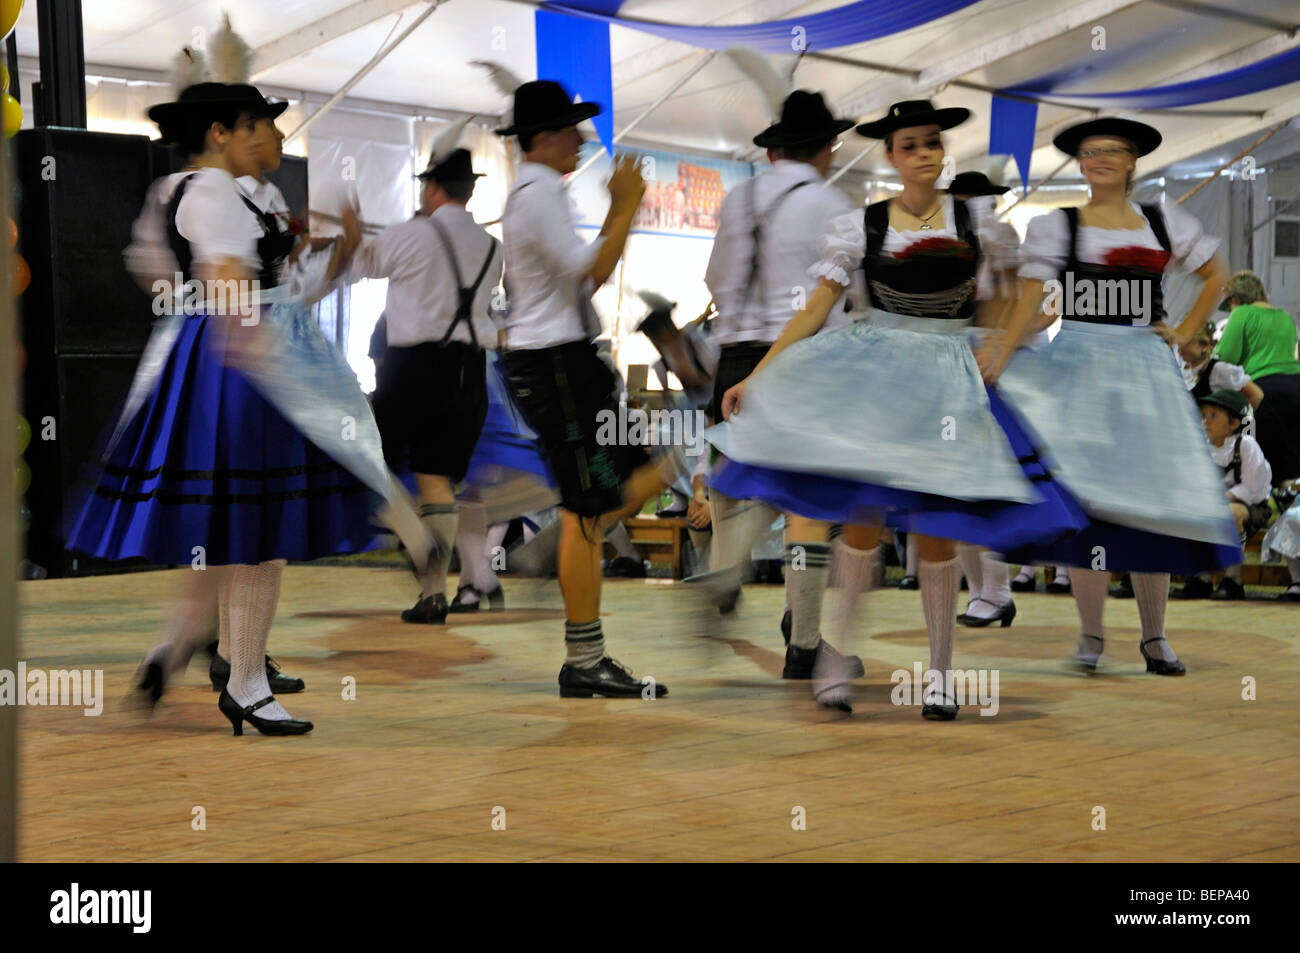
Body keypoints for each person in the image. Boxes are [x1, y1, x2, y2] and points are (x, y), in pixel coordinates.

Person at [714, 100, 1089, 717]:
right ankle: (833, 656)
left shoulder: (977, 222)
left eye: (931, 143)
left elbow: (1025, 290)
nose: (922, 153)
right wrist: (760, 372)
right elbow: (813, 310)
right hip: (877, 378)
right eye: (909, 145)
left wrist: (1003, 342)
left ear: (943, 151)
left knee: (938, 528)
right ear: (891, 155)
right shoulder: (862, 226)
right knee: (862, 523)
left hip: (950, 377)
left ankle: (939, 674)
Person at [68, 81, 369, 735]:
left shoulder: (197, 193)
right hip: (239, 359)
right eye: (258, 123)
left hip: (220, 353)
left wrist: (332, 256)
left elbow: (155, 268)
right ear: (220, 133)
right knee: (256, 530)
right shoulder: (211, 194)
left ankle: (178, 652)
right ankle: (245, 681)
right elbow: (235, 287)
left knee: (232, 530)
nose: (272, 136)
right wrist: (258, 353)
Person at [978, 116, 1238, 676]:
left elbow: (1220, 275)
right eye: (1089, 151)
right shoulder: (1058, 226)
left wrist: (1187, 331)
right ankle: (1091, 636)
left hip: (1144, 367)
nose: (1098, 159)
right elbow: (1035, 301)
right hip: (1078, 364)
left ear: (1131, 161)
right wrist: (1002, 351)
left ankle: (1154, 637)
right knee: (1090, 507)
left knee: (1152, 503)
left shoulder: (1162, 220)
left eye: (1111, 151)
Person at [495, 79, 668, 698]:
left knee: (630, 485)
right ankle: (583, 654)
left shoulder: (539, 192)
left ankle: (554, 556)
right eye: (571, 128)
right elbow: (591, 271)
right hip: (558, 366)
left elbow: (579, 279)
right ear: (542, 138)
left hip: (564, 362)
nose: (581, 137)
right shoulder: (537, 193)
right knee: (597, 504)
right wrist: (626, 205)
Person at [698, 88, 865, 681]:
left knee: (733, 480)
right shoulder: (834, 205)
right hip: (803, 358)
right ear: (827, 148)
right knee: (807, 500)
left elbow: (715, 277)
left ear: (774, 151)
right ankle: (805, 638)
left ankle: (726, 561)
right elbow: (845, 298)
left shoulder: (739, 198)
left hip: (735, 355)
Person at [343, 124, 502, 625]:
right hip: (469, 373)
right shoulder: (493, 248)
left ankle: (416, 542)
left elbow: (356, 267)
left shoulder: (411, 233)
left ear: (432, 188)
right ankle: (434, 595)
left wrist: (352, 232)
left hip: (413, 368)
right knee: (437, 479)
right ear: (469, 190)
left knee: (365, 460)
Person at [1171, 390, 1271, 600]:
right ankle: (1200, 578)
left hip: (1251, 507)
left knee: (1230, 513)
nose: (1206, 422)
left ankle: (1233, 580)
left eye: (1213, 416)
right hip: (1213, 506)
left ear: (1234, 423)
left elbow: (1253, 488)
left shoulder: (1245, 445)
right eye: (1203, 416)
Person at [1215, 271, 1300, 486]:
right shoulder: (1285, 317)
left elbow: (1225, 359)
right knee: (1292, 465)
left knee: (1263, 464)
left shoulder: (1242, 314)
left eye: (1230, 303)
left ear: (1235, 298)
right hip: (1295, 387)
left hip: (1264, 393)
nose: (1231, 309)